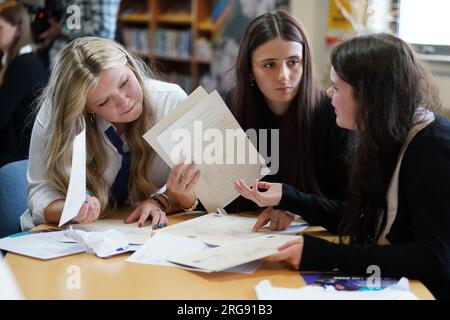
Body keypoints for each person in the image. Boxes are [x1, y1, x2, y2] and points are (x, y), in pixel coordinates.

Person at [235, 33, 450, 299]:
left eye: (337, 88)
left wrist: (325, 255)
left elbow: (433, 261)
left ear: (369, 97)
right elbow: (364, 221)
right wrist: (288, 197)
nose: (328, 94)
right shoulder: (386, 135)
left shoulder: (433, 148)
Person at [20, 36, 200, 231]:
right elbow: (40, 191)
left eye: (124, 83)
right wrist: (70, 210)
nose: (124, 101)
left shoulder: (172, 102)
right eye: (104, 102)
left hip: (145, 233)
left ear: (130, 65)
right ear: (87, 109)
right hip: (76, 236)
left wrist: (161, 201)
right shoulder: (58, 115)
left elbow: (196, 184)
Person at [226, 10, 352, 229]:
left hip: (312, 238)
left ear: (305, 64)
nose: (283, 76)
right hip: (243, 232)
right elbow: (224, 195)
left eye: (293, 62)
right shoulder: (234, 104)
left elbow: (352, 211)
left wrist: (295, 206)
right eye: (269, 65)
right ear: (249, 71)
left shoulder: (333, 113)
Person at [0, 1, 46, 167]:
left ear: (18, 29)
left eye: (0, 28)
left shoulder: (23, 65)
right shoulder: (17, 60)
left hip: (19, 157)